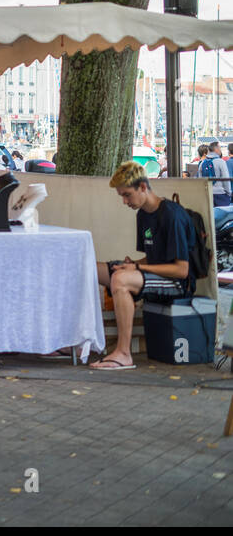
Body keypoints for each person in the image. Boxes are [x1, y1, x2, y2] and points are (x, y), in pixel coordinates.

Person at [90, 161, 196, 371]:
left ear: (143, 187)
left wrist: (137, 269)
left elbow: (181, 269)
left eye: (127, 195)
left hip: (177, 284)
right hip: (156, 275)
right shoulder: (143, 215)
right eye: (121, 196)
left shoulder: (172, 215)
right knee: (90, 269)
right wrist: (133, 265)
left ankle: (123, 353)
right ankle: (77, 344)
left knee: (120, 279)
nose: (124, 201)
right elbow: (152, 258)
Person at [200, 140, 231, 206]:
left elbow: (200, 180)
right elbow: (226, 179)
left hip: (206, 194)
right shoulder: (221, 162)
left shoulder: (202, 163)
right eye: (220, 148)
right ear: (216, 149)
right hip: (220, 195)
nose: (220, 150)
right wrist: (228, 193)